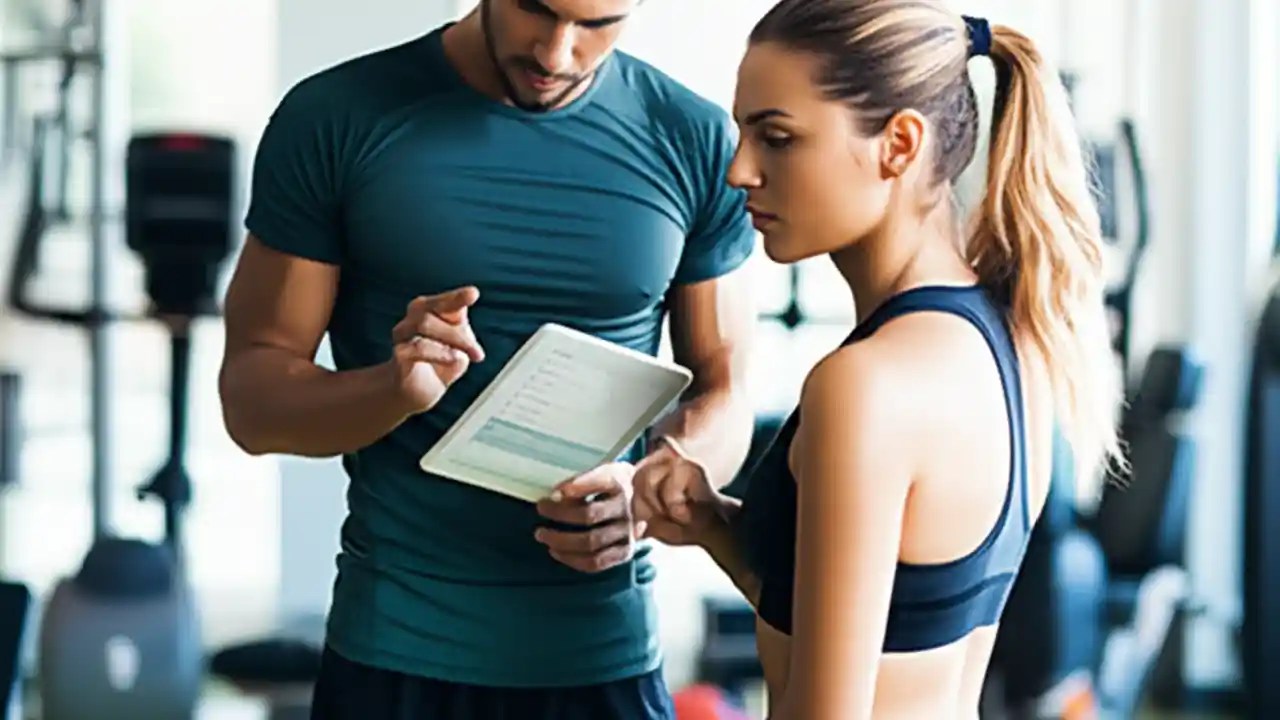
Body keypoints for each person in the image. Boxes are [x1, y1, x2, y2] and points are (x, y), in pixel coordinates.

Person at [215, 0, 759, 718]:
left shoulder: (693, 139)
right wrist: (392, 390)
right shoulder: (335, 117)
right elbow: (253, 402)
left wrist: (653, 485)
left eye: (599, 23)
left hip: (602, 654)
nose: (558, 53)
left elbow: (725, 392)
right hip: (396, 655)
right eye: (538, 9)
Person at [634, 1, 1125, 718]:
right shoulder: (1010, 336)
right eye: (742, 132)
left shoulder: (866, 386)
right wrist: (715, 526)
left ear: (898, 144)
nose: (740, 169)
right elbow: (897, 624)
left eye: (776, 137)